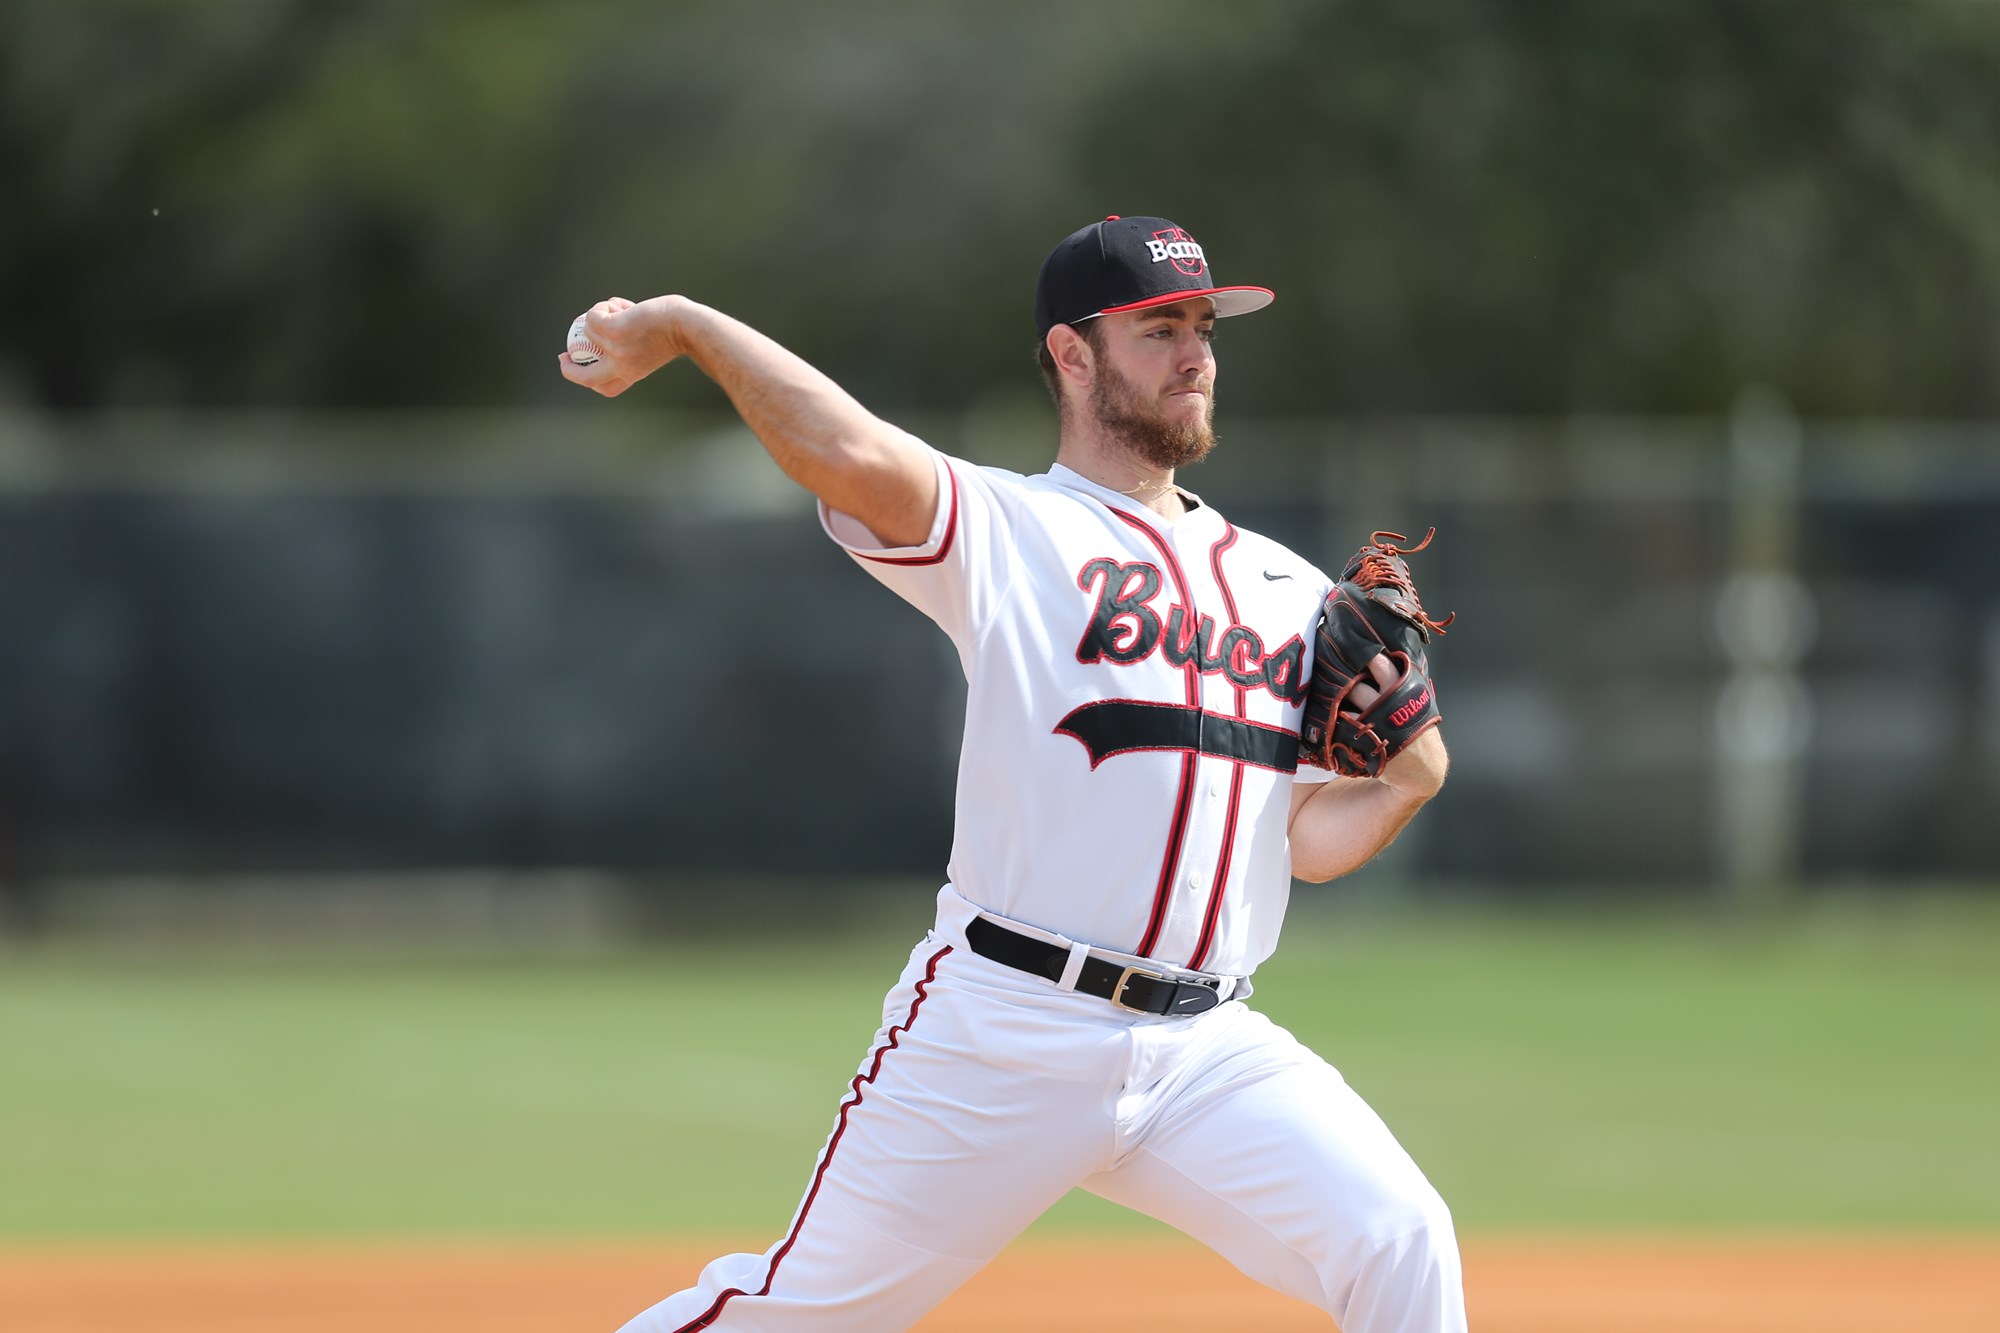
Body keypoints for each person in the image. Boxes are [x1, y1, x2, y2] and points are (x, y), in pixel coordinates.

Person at [561, 214, 1465, 1333]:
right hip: (1006, 1025)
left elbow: (1296, 846)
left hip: (1202, 1050)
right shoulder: (1010, 528)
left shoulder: (1285, 589)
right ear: (1071, 355)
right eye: (1157, 329)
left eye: (1202, 329)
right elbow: (842, 454)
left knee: (1399, 1238)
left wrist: (1405, 783)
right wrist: (686, 327)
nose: (1194, 354)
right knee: (793, 1314)